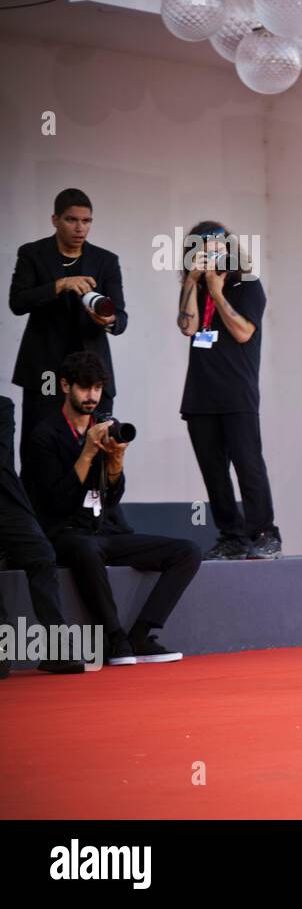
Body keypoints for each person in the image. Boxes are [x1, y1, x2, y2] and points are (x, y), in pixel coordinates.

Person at [20, 352, 200, 666]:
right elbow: (56, 503)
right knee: (87, 548)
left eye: (98, 388)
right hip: (64, 532)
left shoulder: (105, 426)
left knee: (188, 550)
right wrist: (88, 452)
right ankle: (115, 639)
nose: (91, 396)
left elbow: (111, 498)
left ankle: (140, 635)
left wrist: (116, 460)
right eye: (84, 388)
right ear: (65, 385)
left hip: (105, 529)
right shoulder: (44, 435)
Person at [175, 222, 282, 560]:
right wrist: (193, 282)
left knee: (248, 465)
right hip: (200, 394)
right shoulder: (195, 287)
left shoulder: (247, 284)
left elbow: (242, 332)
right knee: (213, 471)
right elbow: (187, 326)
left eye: (217, 247)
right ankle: (231, 536)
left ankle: (264, 532)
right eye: (203, 249)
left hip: (236, 393)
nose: (212, 254)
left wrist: (218, 291)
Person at [9, 188, 127, 444]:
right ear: (55, 220)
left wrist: (108, 321)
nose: (79, 228)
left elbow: (121, 318)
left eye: (86, 221)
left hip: (90, 370)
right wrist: (59, 285)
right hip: (47, 370)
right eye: (71, 220)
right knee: (39, 439)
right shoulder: (33, 254)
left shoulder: (106, 260)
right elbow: (17, 302)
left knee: (96, 443)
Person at [0, 395, 85, 677]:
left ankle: (57, 648)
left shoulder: (3, 406)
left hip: (8, 503)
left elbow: (2, 462)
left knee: (42, 553)